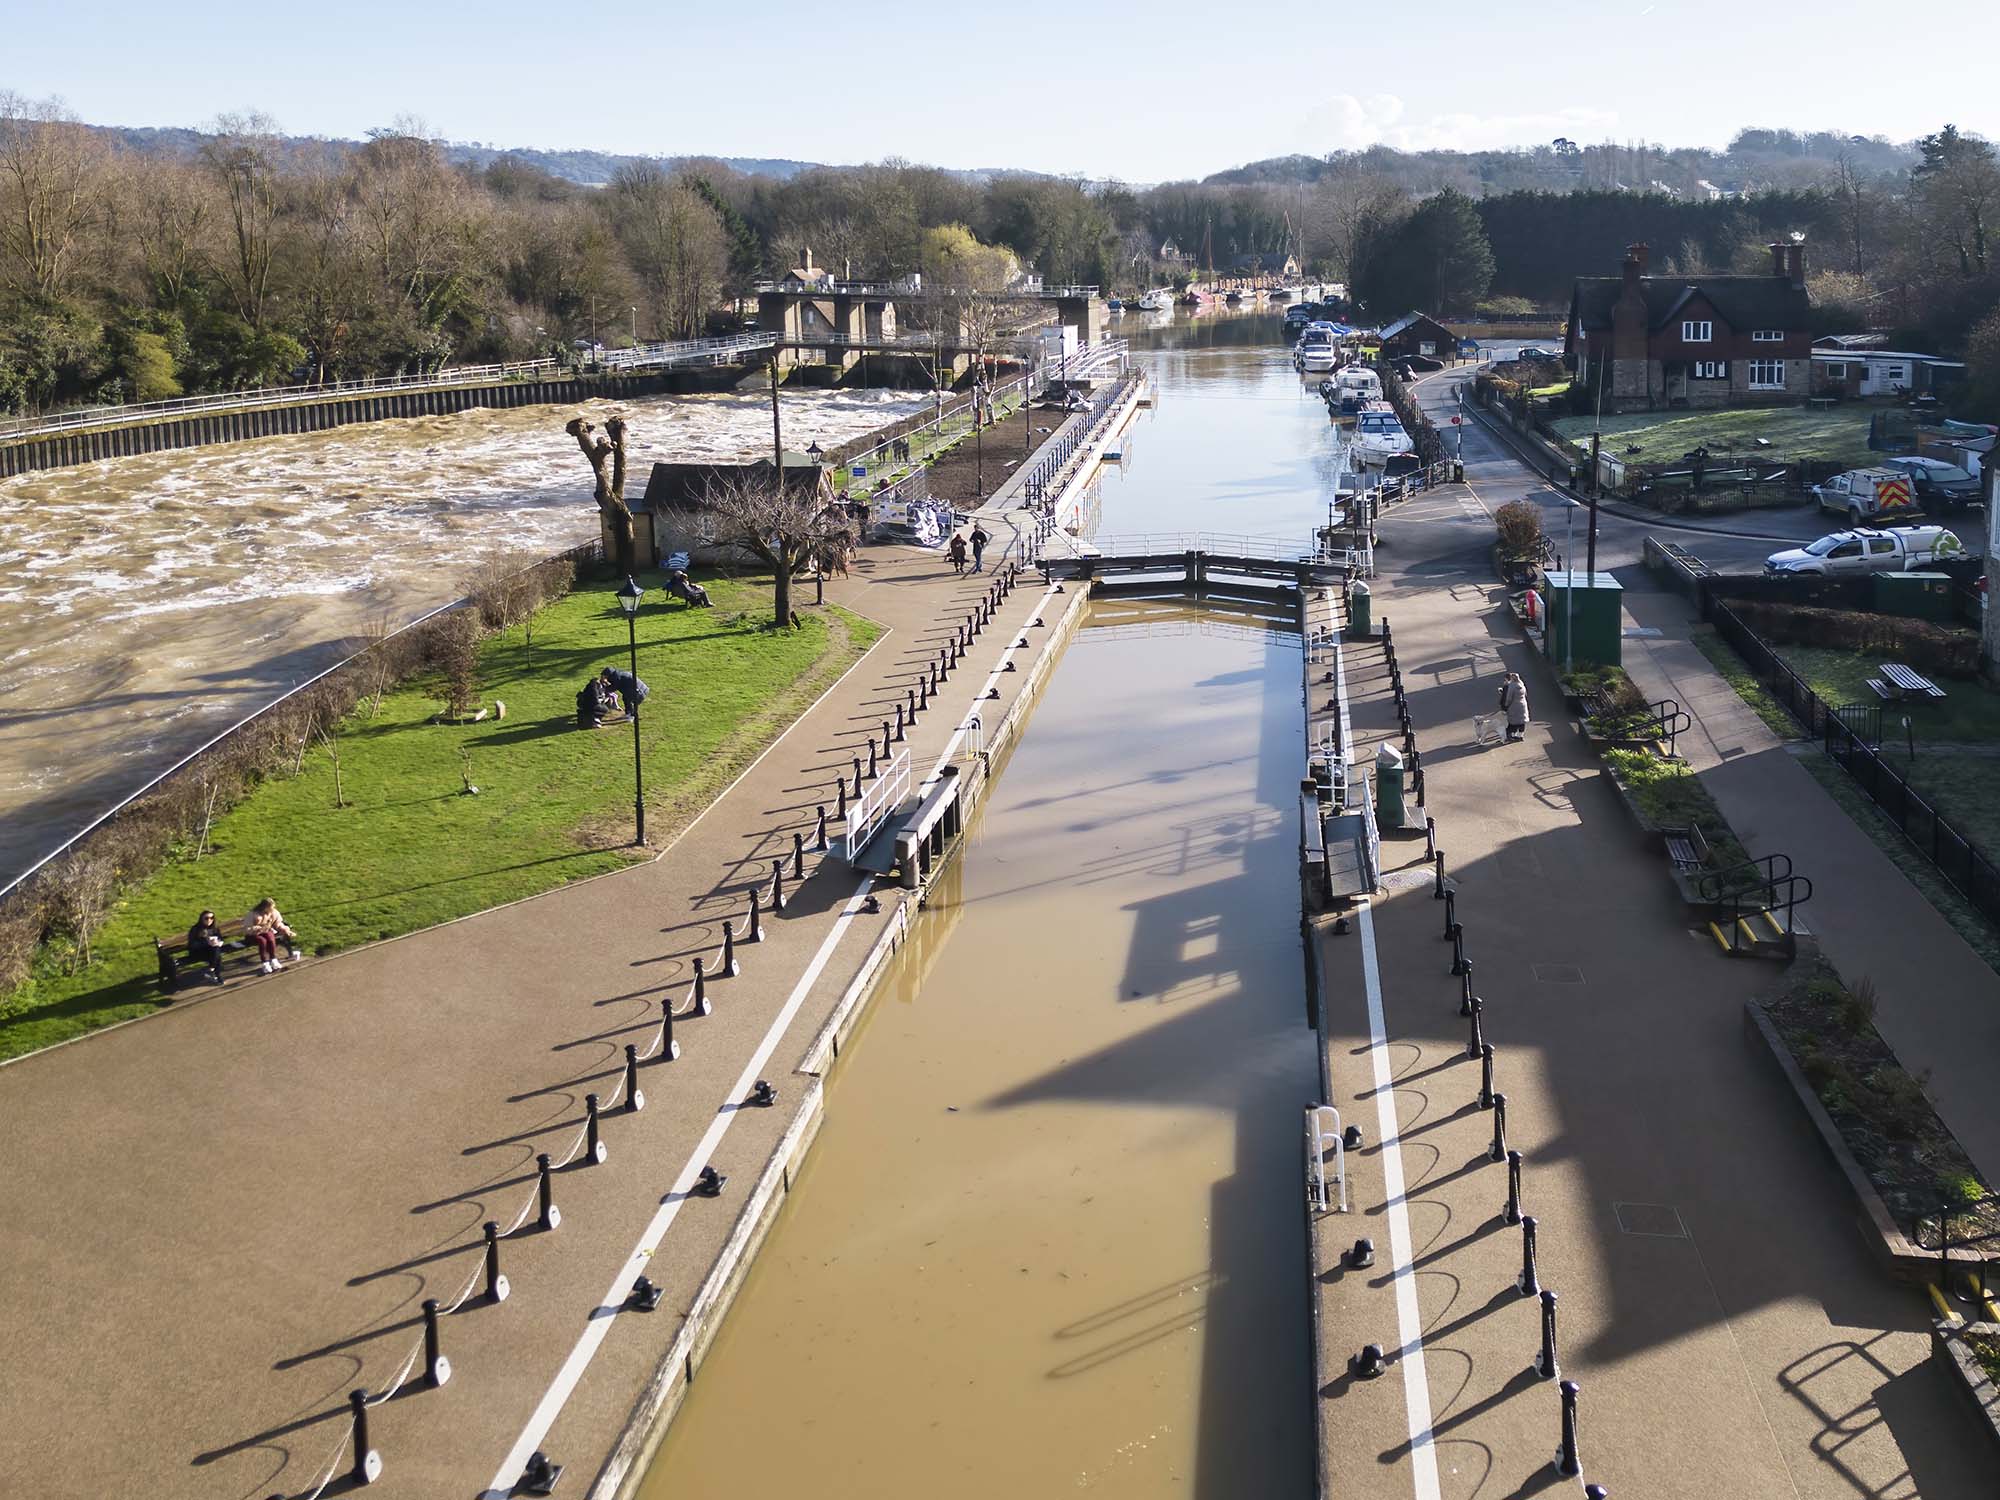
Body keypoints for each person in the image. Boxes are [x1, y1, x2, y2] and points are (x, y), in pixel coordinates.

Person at [246, 897, 302, 973]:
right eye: (270, 907)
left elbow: (278, 924)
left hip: (266, 931)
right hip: (253, 934)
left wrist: (285, 930)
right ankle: (265, 963)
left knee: (271, 939)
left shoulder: (274, 912)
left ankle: (273, 959)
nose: (272, 909)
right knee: (262, 941)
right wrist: (255, 928)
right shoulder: (253, 914)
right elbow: (247, 928)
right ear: (265, 907)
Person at [186, 909, 227, 986]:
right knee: (217, 955)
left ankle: (213, 971)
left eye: (211, 918)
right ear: (201, 919)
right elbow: (192, 945)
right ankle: (216, 974)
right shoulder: (195, 929)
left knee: (216, 950)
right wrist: (207, 942)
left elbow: (221, 938)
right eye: (206, 918)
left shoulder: (214, 928)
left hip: (211, 952)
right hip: (198, 952)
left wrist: (219, 942)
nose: (209, 920)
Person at [1500, 671, 1530, 743]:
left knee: (1513, 722)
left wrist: (1506, 706)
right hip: (1522, 705)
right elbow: (1525, 694)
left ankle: (1510, 736)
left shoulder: (1512, 686)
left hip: (1514, 706)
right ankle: (1520, 736)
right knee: (1522, 722)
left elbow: (1509, 698)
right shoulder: (1521, 684)